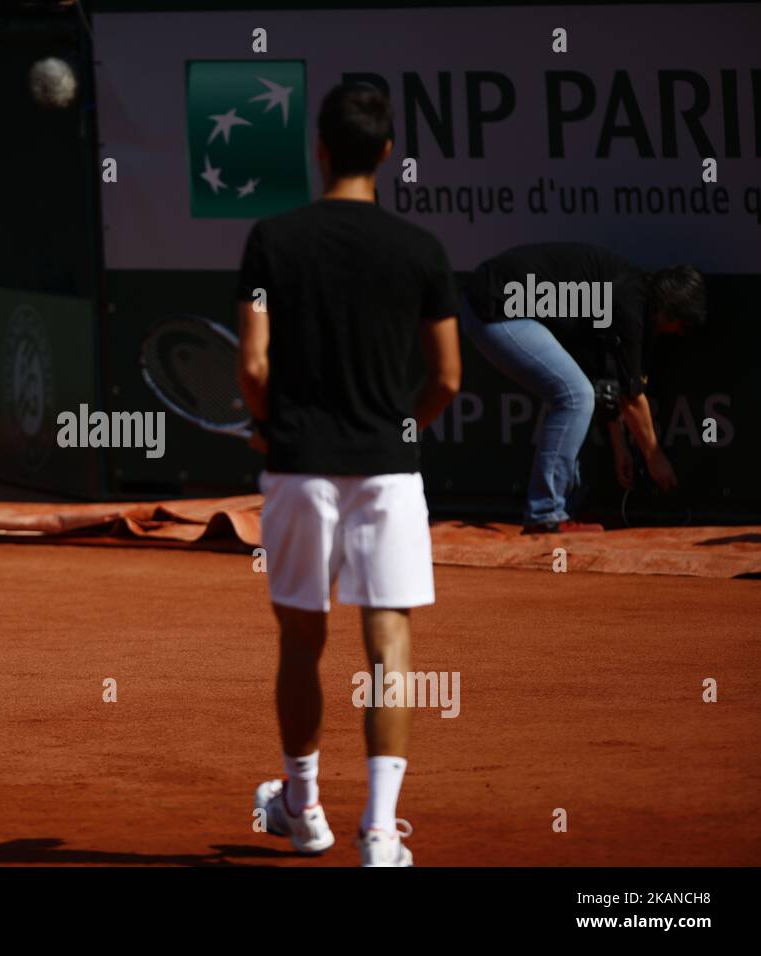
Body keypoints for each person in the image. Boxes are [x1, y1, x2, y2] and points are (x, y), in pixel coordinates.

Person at [237, 84, 460, 866]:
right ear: (389, 154)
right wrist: (398, 432)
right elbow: (448, 380)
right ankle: (378, 833)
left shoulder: (271, 240)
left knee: (302, 641)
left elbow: (255, 364)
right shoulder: (422, 252)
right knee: (389, 646)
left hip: (297, 467)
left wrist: (270, 428)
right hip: (388, 474)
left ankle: (303, 814)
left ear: (320, 149)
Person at [462, 244, 705, 533]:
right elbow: (631, 397)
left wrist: (620, 447)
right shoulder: (630, 304)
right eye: (682, 324)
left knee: (576, 393)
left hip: (510, 305)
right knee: (575, 396)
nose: (679, 332)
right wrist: (655, 457)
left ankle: (565, 509)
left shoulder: (628, 296)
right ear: (670, 310)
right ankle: (545, 514)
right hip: (494, 306)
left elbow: (607, 380)